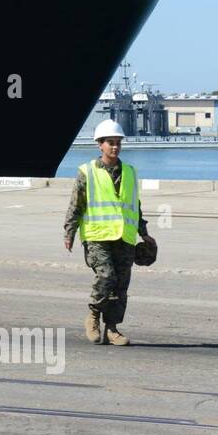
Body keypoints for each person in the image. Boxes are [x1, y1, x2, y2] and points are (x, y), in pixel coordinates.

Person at [63, 120, 150, 345]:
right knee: (106, 276)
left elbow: (135, 205)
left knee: (120, 285)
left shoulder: (130, 172)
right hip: (97, 236)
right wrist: (69, 231)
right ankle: (93, 315)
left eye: (118, 143)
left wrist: (144, 232)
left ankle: (112, 329)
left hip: (124, 236)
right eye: (110, 143)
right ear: (99, 145)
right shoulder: (87, 172)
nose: (115, 147)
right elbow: (76, 204)